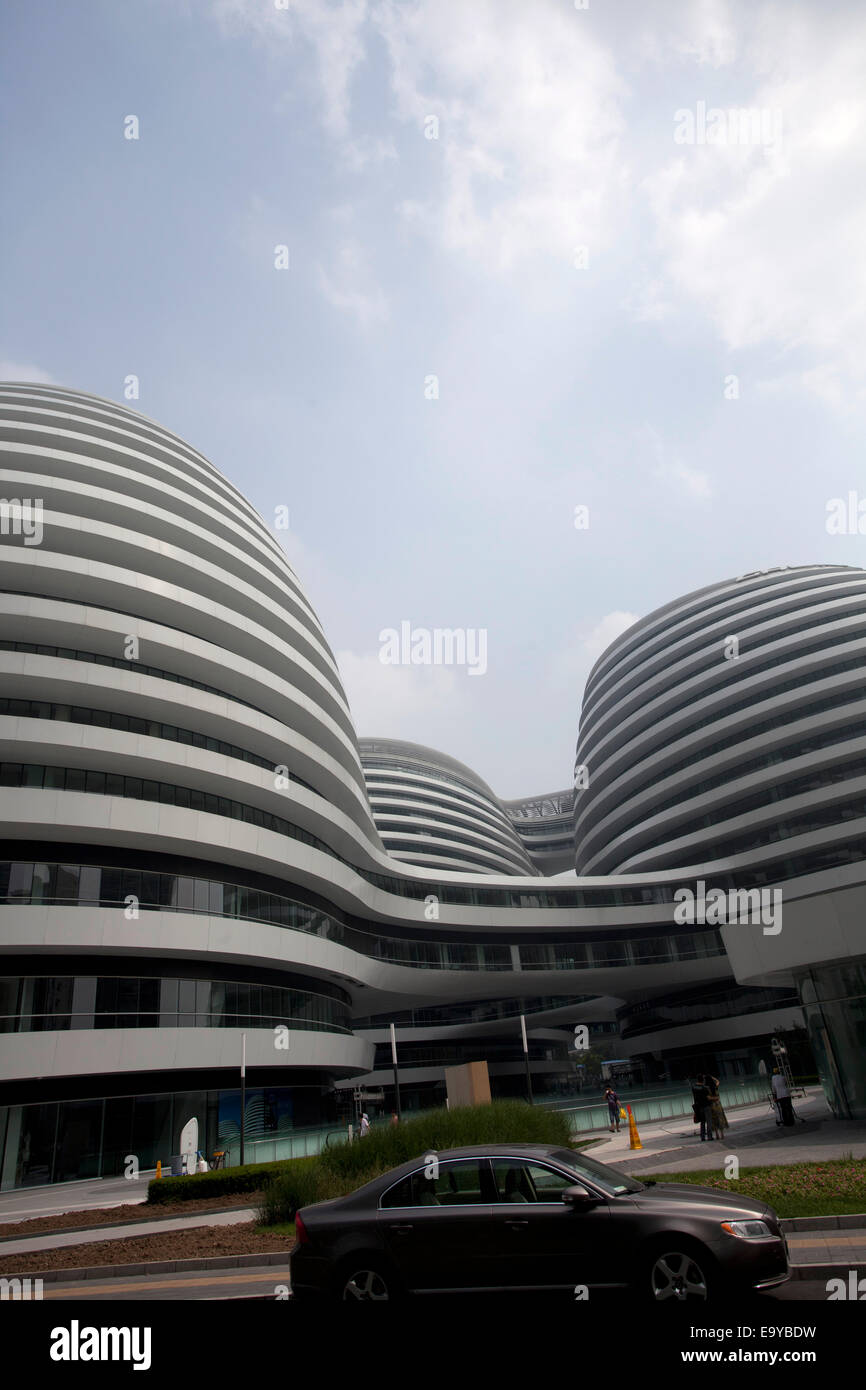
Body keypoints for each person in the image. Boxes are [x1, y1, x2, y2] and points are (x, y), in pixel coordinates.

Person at [691, 1075, 714, 1141]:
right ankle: (709, 1136)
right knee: (709, 1121)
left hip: (699, 1106)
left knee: (702, 1122)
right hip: (706, 1105)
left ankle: (702, 1137)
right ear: (703, 1080)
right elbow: (708, 1097)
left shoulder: (694, 1087)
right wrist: (715, 1098)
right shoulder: (705, 1088)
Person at [705, 1073, 728, 1137]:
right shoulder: (715, 1086)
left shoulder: (706, 1088)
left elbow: (708, 1098)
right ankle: (722, 1134)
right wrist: (712, 1077)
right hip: (718, 1104)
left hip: (711, 1105)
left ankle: (717, 1134)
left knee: (714, 1120)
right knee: (720, 1118)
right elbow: (718, 1081)